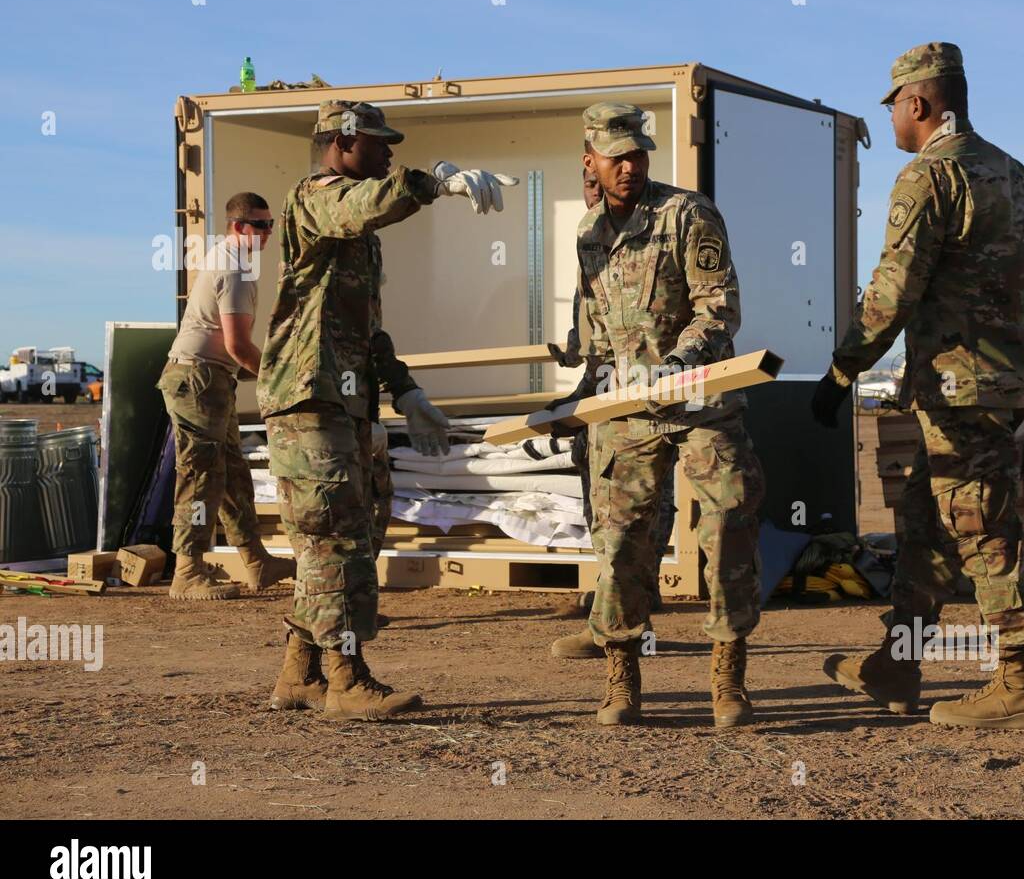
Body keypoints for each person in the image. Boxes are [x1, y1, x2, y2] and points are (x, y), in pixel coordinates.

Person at [811, 43, 1024, 730]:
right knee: (924, 523)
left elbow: (893, 291)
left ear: (917, 104)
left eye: (892, 108)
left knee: (980, 526)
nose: (890, 120)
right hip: (1001, 381)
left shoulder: (929, 178)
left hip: (958, 388)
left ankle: (1019, 684)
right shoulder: (1015, 174)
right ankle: (899, 661)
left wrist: (842, 370)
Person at [260, 100, 516, 720]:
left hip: (346, 405)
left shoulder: (362, 243)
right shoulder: (317, 198)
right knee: (332, 540)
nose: (389, 152)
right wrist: (433, 184)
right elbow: (362, 205)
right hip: (307, 399)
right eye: (379, 143)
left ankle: (299, 673)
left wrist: (406, 393)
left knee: (357, 533)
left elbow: (369, 334)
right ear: (343, 143)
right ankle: (346, 679)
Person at [575, 102, 765, 727]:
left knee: (727, 525)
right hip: (626, 411)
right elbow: (597, 331)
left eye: (638, 154)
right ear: (592, 163)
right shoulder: (587, 234)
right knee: (622, 542)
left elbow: (719, 309)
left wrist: (679, 363)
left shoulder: (687, 213)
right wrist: (582, 397)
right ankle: (621, 676)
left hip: (702, 400)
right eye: (616, 156)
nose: (629, 166)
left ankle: (727, 677)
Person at [548, 167, 672, 660]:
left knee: (648, 505)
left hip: (653, 397)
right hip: (604, 395)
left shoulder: (655, 233)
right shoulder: (590, 241)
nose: (598, 197)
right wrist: (575, 401)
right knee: (602, 501)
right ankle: (611, 604)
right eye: (590, 188)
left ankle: (631, 606)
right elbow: (598, 344)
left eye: (604, 190)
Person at [157, 192, 296, 601]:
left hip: (211, 380)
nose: (268, 233)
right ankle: (187, 571)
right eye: (260, 225)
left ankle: (256, 561)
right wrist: (278, 380)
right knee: (201, 475)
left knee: (232, 472)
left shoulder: (236, 262)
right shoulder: (233, 269)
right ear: (238, 227)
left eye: (272, 225)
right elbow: (238, 346)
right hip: (199, 380)